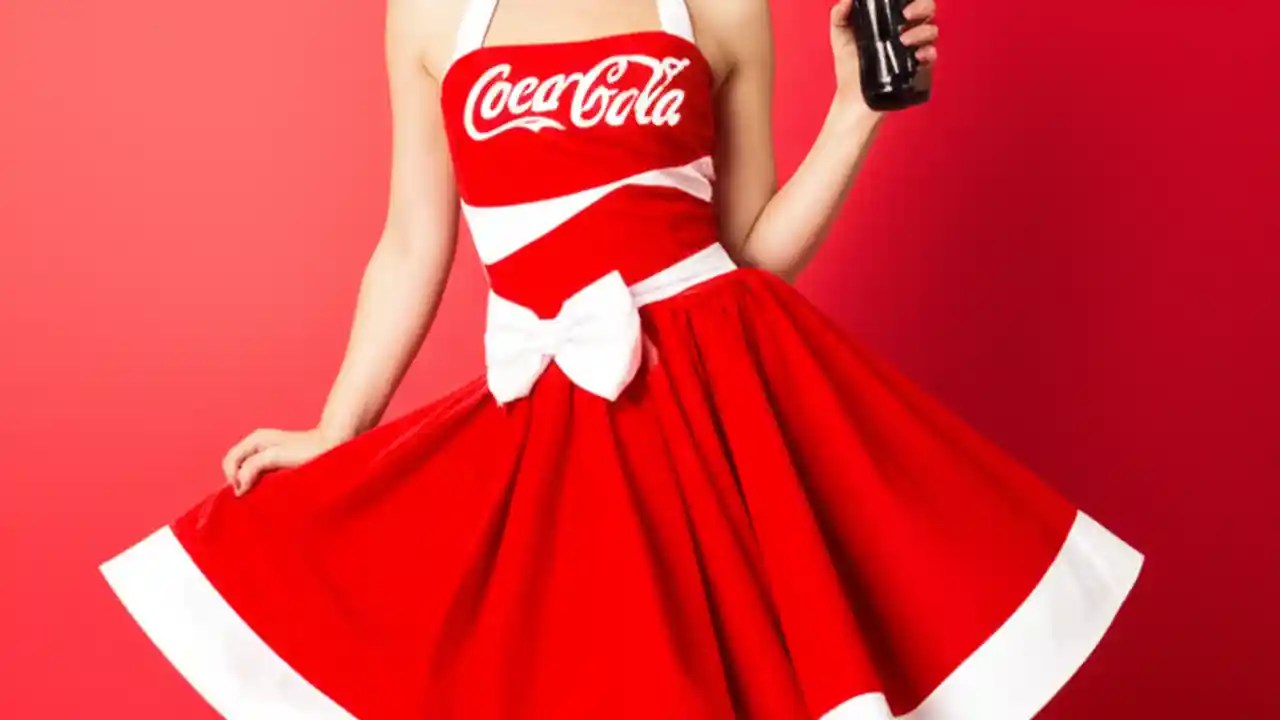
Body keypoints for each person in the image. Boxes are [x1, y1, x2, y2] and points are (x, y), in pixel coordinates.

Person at [98, 0, 1143, 718]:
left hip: (718, 418)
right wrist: (340, 428)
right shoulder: (430, 11)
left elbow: (745, 254)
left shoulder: (717, 3)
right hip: (545, 430)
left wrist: (851, 116)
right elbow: (415, 237)